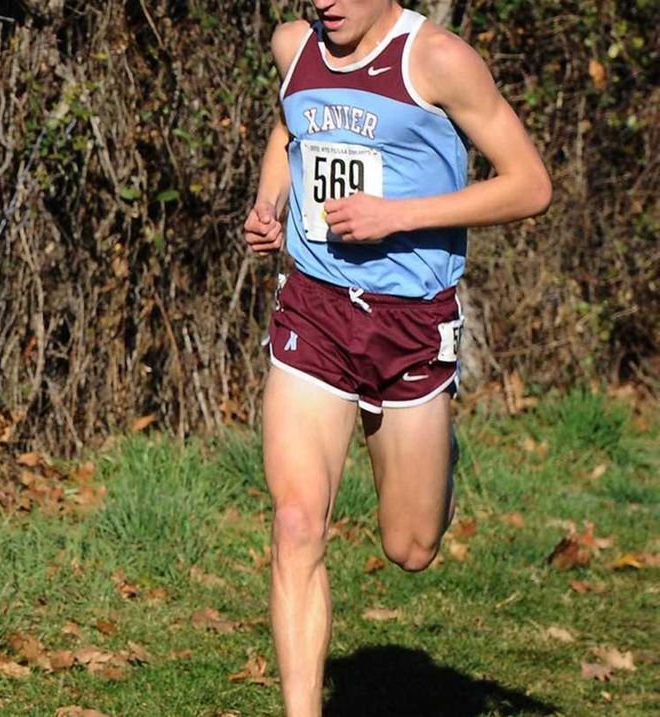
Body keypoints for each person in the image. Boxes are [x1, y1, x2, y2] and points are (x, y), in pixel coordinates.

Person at [242, 1, 550, 714]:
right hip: (314, 308)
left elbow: (531, 184)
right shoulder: (294, 45)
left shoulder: (438, 60)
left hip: (410, 321)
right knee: (295, 523)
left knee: (410, 546)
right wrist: (270, 203)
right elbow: (291, 122)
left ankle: (438, 447)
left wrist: (398, 215)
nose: (326, 2)